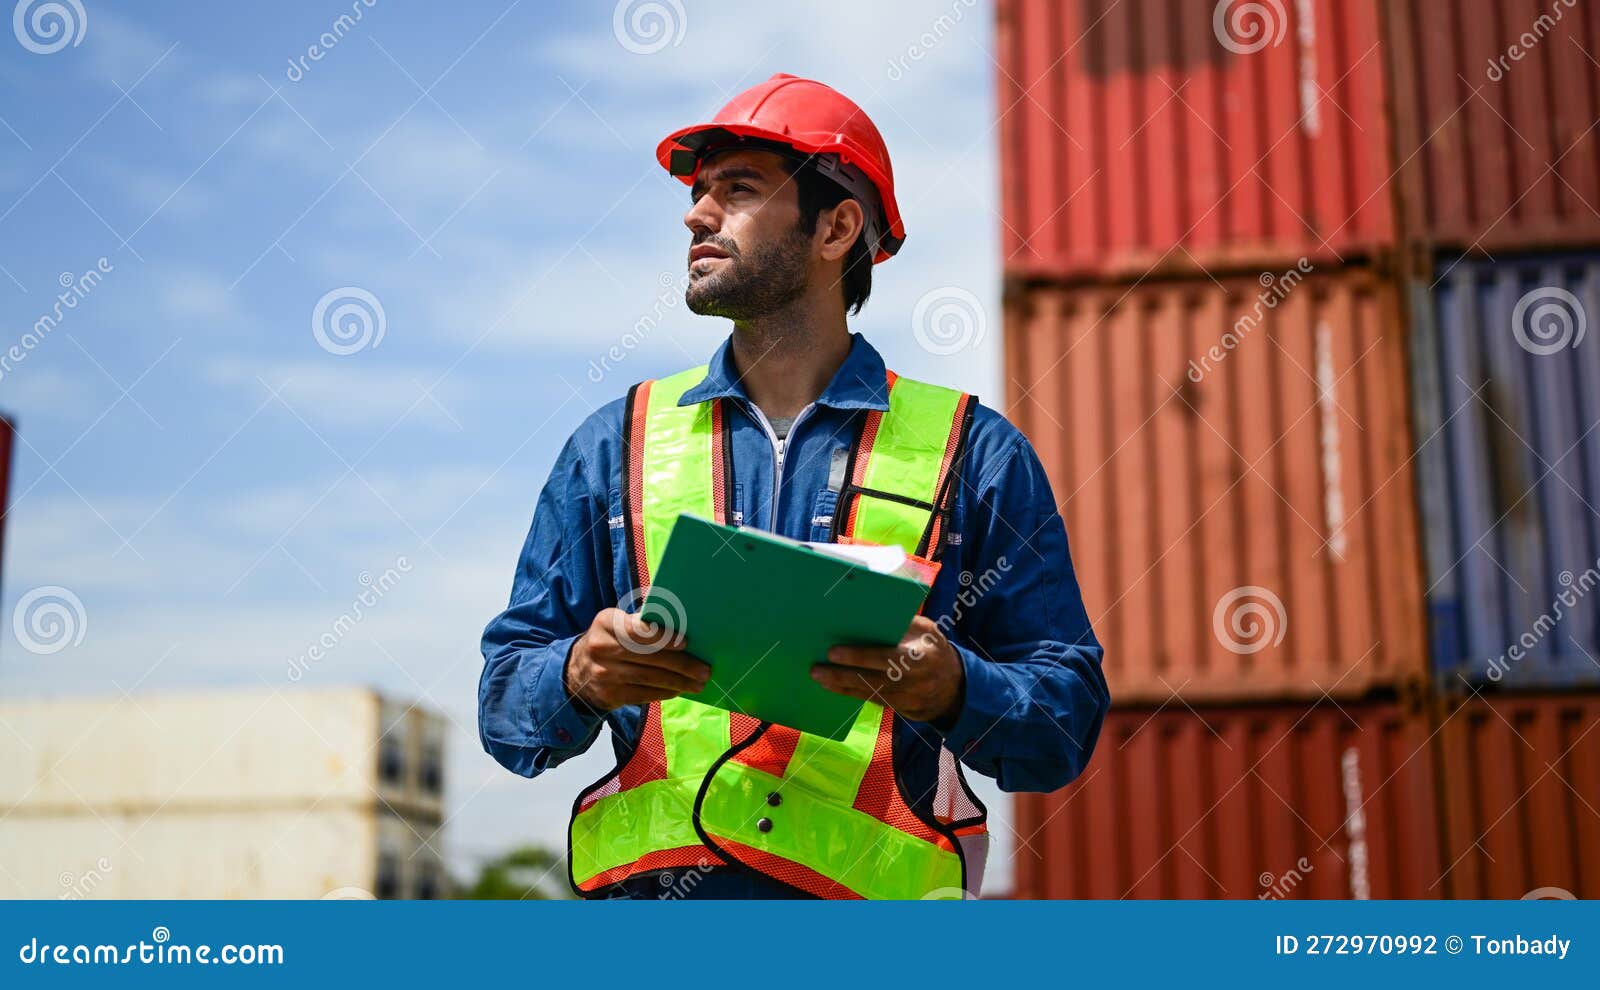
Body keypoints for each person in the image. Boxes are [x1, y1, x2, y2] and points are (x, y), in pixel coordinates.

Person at [479, 73, 1108, 899]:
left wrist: (957, 685)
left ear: (837, 226)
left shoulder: (974, 453)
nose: (696, 214)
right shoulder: (613, 446)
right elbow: (504, 705)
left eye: (736, 190)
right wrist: (578, 675)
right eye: (699, 192)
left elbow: (1063, 721)